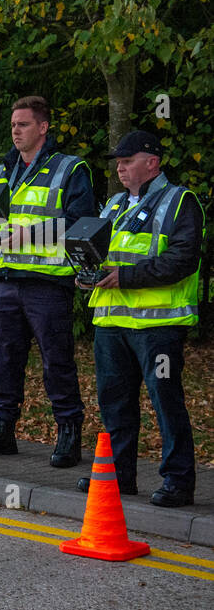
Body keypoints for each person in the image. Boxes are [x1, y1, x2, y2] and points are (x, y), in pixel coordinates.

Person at [76, 131, 205, 507]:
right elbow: (97, 252)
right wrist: (85, 271)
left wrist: (125, 276)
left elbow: (182, 260)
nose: (120, 166)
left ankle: (178, 482)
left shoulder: (180, 201)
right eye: (118, 160)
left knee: (166, 401)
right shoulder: (113, 204)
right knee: (114, 402)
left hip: (158, 327)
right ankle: (119, 476)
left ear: (152, 162)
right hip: (112, 324)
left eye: (127, 160)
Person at [0, 95, 97, 467]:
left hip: (47, 282)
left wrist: (29, 236)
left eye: (23, 124)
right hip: (5, 280)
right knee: (4, 360)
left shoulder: (70, 169)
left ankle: (69, 435)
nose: (15, 130)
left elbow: (81, 224)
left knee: (57, 362)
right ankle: (2, 431)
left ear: (43, 127)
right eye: (13, 124)